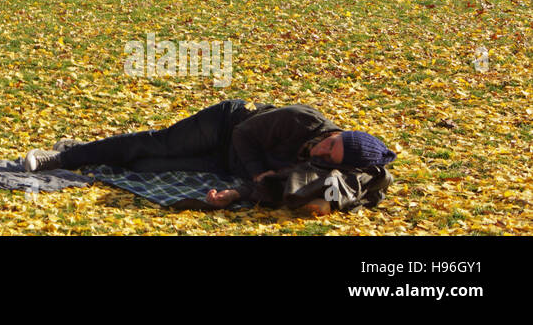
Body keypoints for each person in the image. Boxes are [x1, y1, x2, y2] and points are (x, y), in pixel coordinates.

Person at [23, 100, 396, 214]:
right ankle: (64, 157)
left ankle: (89, 155)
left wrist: (239, 193)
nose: (323, 150)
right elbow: (244, 133)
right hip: (226, 126)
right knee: (155, 145)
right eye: (331, 142)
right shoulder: (303, 120)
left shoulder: (326, 169)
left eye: (331, 155)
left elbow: (279, 187)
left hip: (226, 164)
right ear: (336, 133)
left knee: (148, 167)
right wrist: (256, 173)